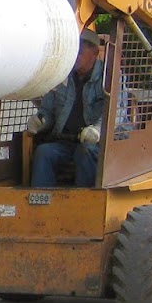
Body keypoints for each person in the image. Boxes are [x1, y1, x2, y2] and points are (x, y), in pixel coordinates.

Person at [25, 29, 106, 187]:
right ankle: (40, 199)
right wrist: (41, 121)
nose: (74, 56)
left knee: (85, 151)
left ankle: (84, 198)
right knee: (44, 152)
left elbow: (117, 113)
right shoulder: (62, 75)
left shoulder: (109, 77)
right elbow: (48, 110)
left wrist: (97, 130)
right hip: (66, 142)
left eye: (79, 51)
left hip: (99, 146)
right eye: (72, 51)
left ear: (95, 52)